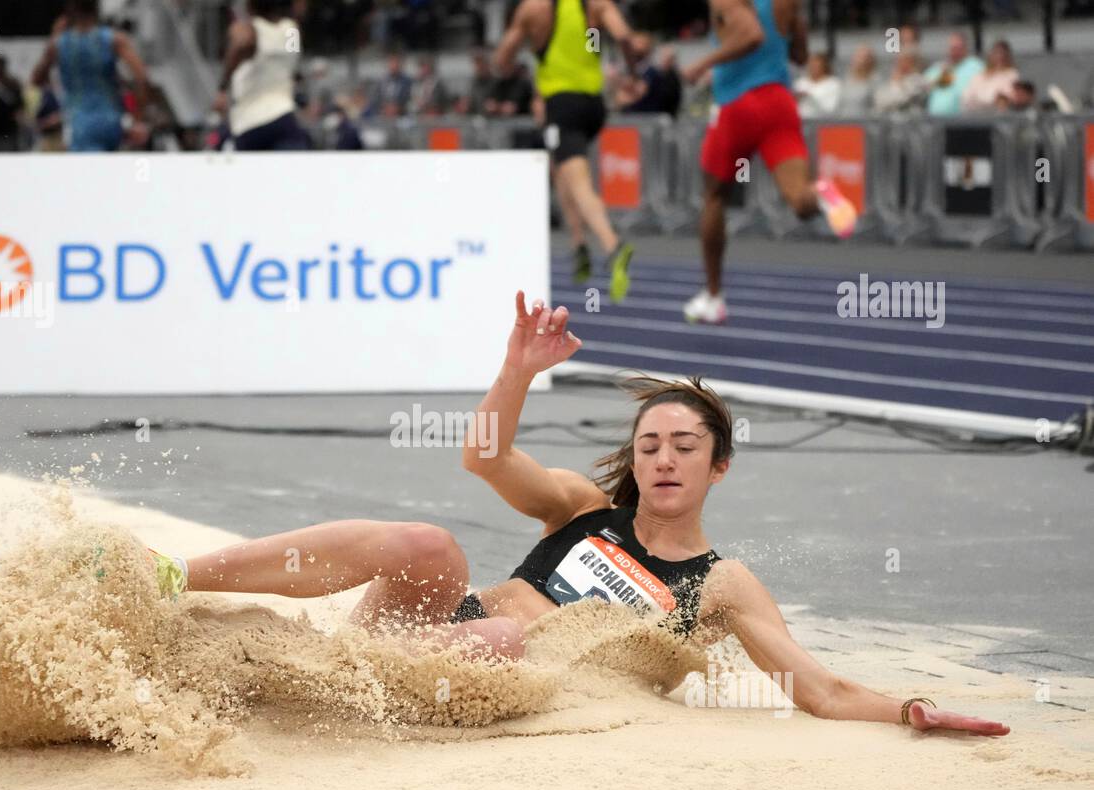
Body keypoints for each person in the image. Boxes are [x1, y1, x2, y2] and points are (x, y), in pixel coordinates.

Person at [146, 291, 1011, 739]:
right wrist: (518, 370)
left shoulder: (723, 585)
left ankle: (302, 692)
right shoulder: (588, 510)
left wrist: (912, 710)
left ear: (720, 465)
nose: (663, 459)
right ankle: (172, 576)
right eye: (649, 445)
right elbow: (483, 456)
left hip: (504, 681)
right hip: (420, 641)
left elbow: (819, 689)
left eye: (683, 446)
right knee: (431, 543)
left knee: (504, 642)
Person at [680, 0, 855, 327]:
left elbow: (752, 35)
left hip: (737, 105)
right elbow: (801, 56)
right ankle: (820, 193)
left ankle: (714, 297)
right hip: (779, 103)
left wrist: (702, 63)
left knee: (714, 196)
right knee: (799, 200)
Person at [494, 0, 652, 301]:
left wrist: (532, 62)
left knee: (578, 182)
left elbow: (502, 59)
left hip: (561, 106)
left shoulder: (533, 9)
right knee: (562, 168)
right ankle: (578, 244)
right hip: (594, 105)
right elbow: (624, 38)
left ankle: (612, 246)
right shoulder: (596, 4)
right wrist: (632, 75)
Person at [30, 0, 150, 152]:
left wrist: (54, 39)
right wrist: (137, 119)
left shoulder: (59, 44)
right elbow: (141, 77)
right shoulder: (114, 39)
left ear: (70, 9)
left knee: (86, 172)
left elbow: (36, 79)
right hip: (111, 120)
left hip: (79, 121)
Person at [215, 0, 310, 150]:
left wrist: (222, 89)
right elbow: (293, 64)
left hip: (250, 120)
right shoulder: (292, 30)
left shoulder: (252, 30)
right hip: (283, 115)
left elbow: (240, 45)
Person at [922, 31, 983, 117]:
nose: (954, 51)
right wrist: (940, 77)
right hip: (936, 120)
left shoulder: (975, 65)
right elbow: (924, 85)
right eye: (952, 48)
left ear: (965, 48)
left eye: (957, 48)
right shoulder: (939, 68)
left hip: (964, 120)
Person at [960, 39, 1018, 113]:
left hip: (997, 118)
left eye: (1002, 53)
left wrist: (981, 100)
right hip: (975, 117)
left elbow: (1003, 99)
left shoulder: (1012, 75)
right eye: (996, 53)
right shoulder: (979, 76)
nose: (999, 56)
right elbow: (966, 98)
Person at [793, 51, 840, 117]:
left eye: (816, 64)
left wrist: (809, 97)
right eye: (811, 63)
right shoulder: (800, 82)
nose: (813, 67)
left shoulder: (833, 84)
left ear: (824, 66)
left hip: (822, 123)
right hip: (801, 121)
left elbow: (830, 110)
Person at [836, 45, 877, 114]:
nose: (861, 61)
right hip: (844, 122)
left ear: (871, 60)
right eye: (858, 56)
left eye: (865, 57)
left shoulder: (876, 81)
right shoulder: (844, 80)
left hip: (865, 122)